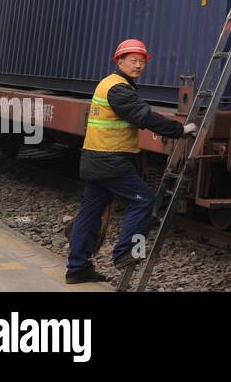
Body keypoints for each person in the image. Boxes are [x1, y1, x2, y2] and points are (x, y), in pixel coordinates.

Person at [64, 39, 194, 284]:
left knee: (89, 214)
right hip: (110, 160)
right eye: (133, 61)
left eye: (142, 62)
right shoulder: (118, 89)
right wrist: (180, 130)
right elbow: (143, 116)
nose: (138, 66)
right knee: (143, 199)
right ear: (119, 61)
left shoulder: (114, 84)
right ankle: (126, 252)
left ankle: (77, 268)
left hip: (96, 159)